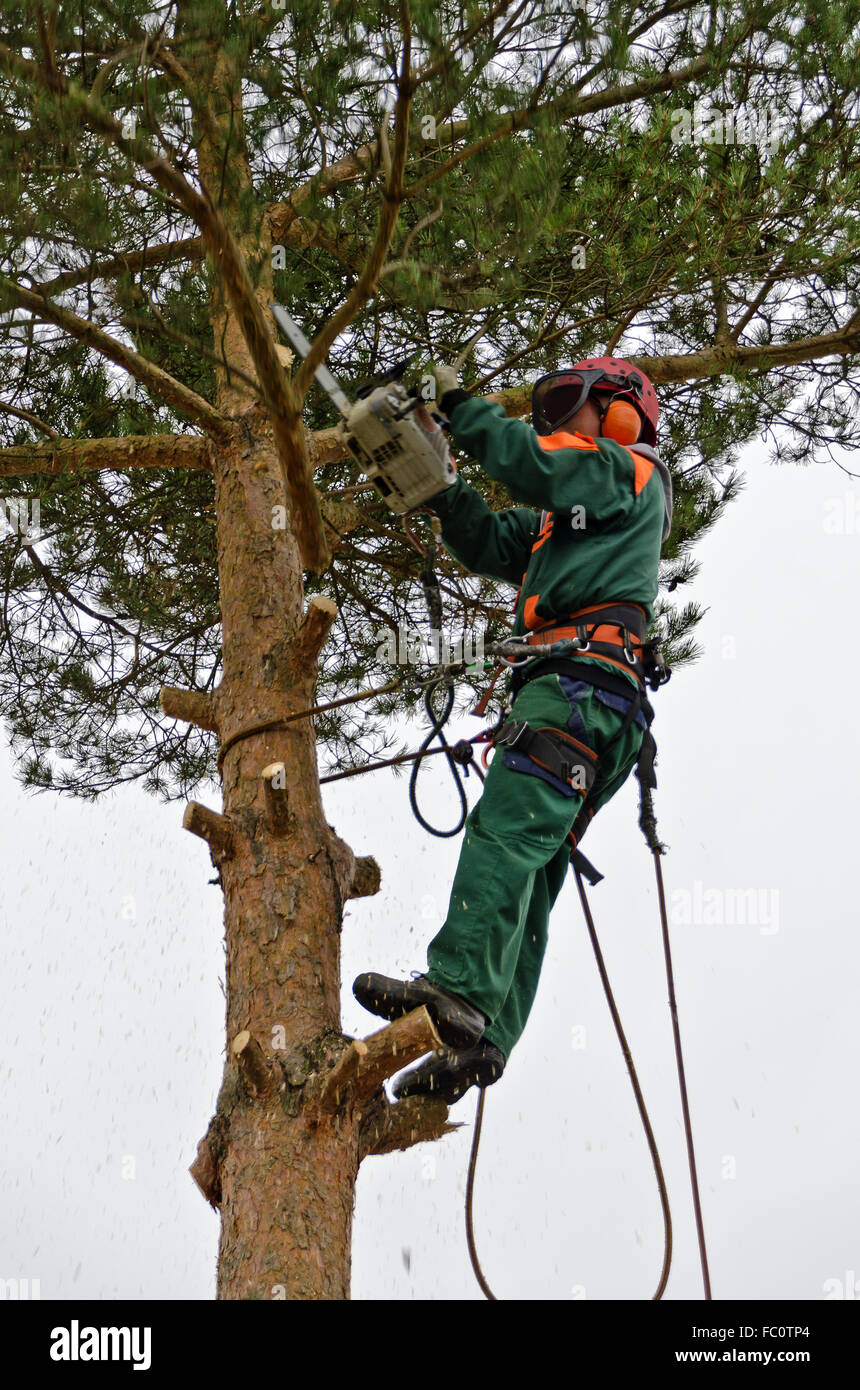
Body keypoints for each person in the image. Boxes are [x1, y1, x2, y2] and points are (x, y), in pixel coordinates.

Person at [353, 358, 673, 1103]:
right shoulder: (572, 522)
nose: (554, 420)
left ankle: (457, 987)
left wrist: (459, 403)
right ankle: (486, 1037)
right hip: (595, 702)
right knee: (533, 866)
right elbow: (494, 538)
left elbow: (534, 465)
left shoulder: (627, 472)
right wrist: (436, 486)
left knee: (504, 833)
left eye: (569, 403)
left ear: (621, 412)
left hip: (577, 690)